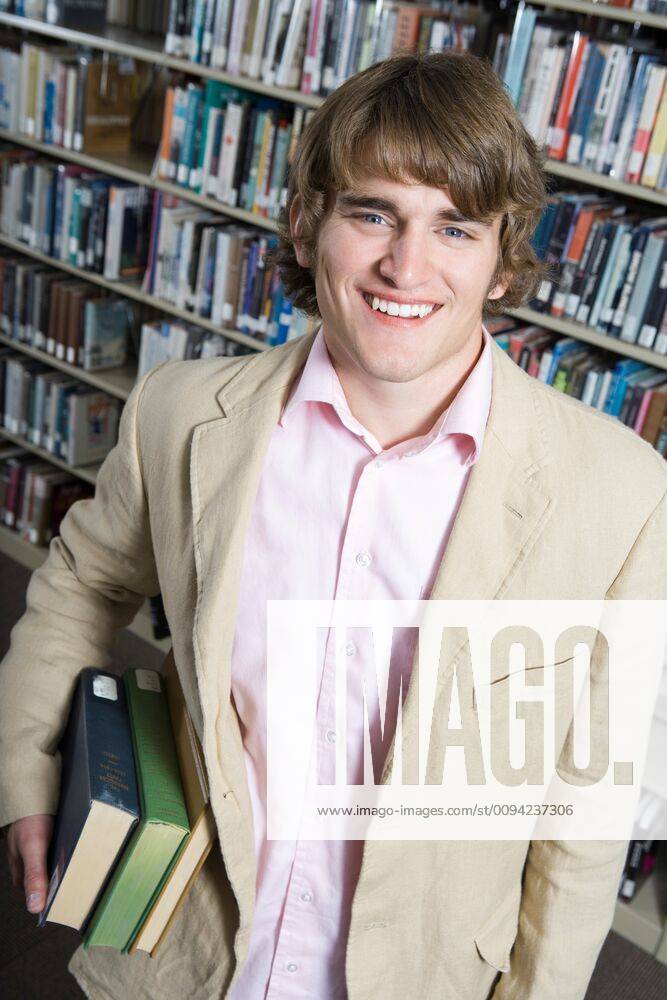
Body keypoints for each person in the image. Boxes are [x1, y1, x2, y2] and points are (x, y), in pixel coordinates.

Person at [2, 50, 666, 1000]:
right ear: (310, 222)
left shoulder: (622, 494)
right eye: (373, 213)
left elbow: (580, 822)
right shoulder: (180, 416)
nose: (407, 266)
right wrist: (27, 770)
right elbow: (79, 582)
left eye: (456, 227)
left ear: (502, 256)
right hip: (180, 957)